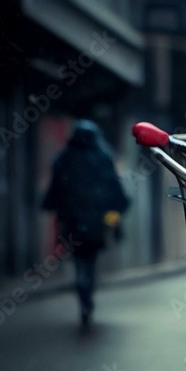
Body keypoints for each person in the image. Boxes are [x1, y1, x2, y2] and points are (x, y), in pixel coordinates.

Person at [42, 119, 130, 328]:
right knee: (89, 259)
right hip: (96, 224)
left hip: (71, 223)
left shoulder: (64, 158)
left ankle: (84, 291)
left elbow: (54, 189)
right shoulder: (102, 158)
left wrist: (49, 204)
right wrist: (117, 210)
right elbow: (115, 190)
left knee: (79, 259)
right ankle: (86, 293)